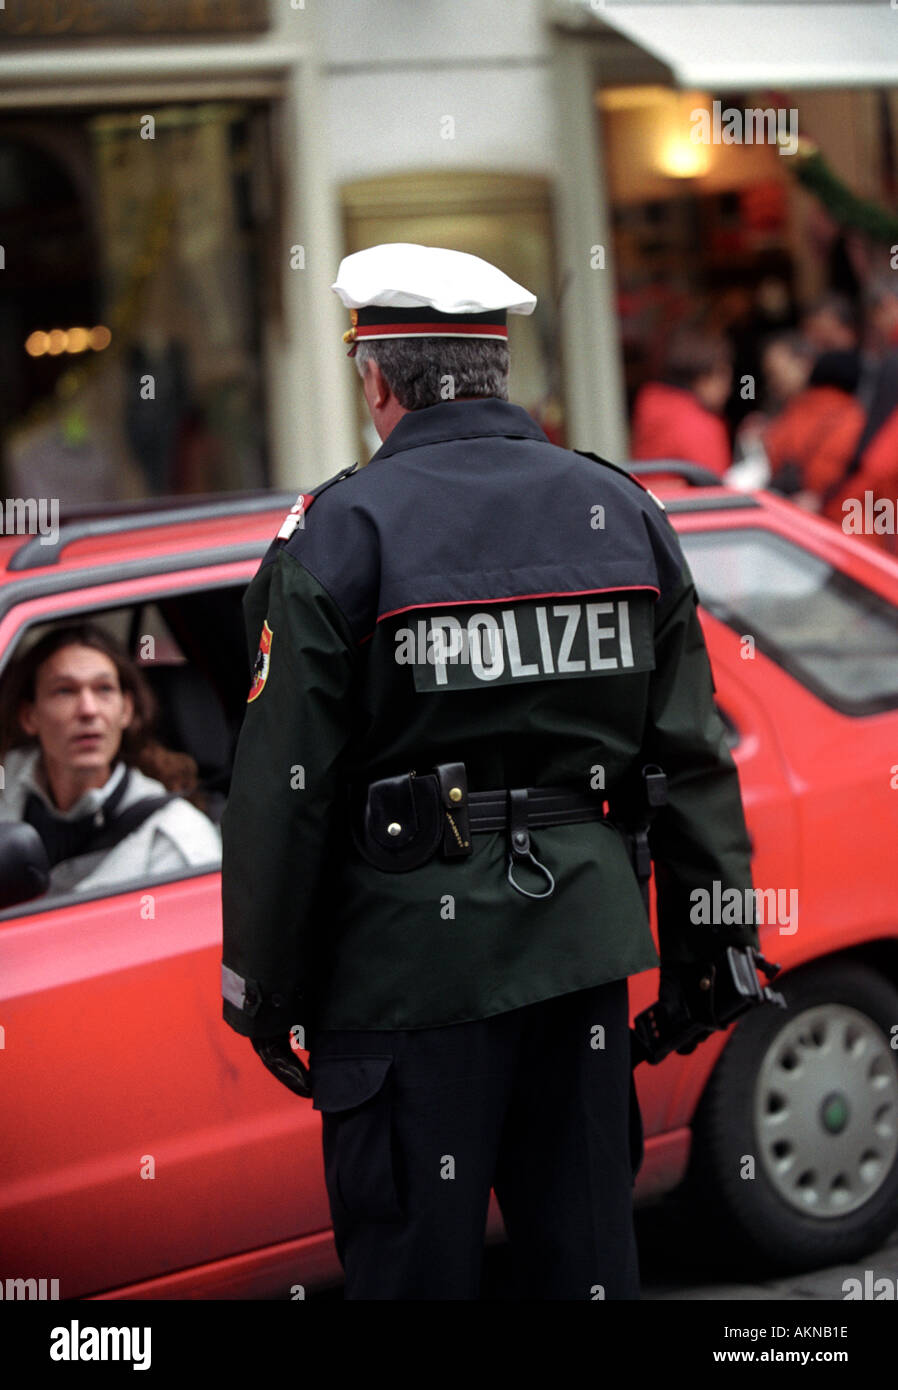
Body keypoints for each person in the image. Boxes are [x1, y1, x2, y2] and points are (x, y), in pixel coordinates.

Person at [220, 243, 760, 1301]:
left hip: (404, 979)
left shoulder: (340, 533)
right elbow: (692, 758)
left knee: (418, 1274)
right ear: (498, 367)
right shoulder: (622, 512)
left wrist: (264, 989)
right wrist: (714, 952)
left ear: (375, 379)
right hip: (580, 962)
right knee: (588, 1266)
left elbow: (282, 792)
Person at [0, 622, 221, 896]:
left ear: (126, 710)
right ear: (29, 716)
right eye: (64, 691)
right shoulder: (6, 781)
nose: (88, 710)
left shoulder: (174, 839)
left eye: (104, 689)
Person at [630, 325, 733, 478]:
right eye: (724, 378)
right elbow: (718, 490)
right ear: (703, 380)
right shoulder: (702, 427)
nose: (728, 389)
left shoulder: (651, 404)